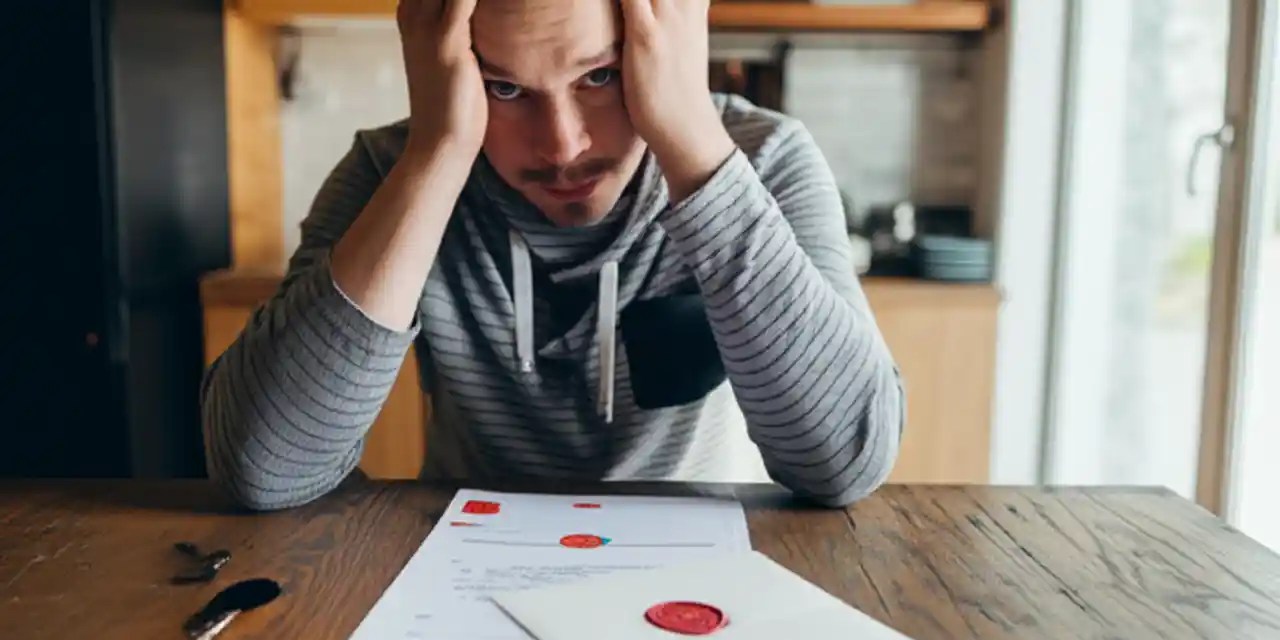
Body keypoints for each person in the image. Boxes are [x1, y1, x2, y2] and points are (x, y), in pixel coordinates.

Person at [200, 0, 905, 511]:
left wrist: (692, 143)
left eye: (598, 76)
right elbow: (264, 472)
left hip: (696, 575)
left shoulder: (761, 161)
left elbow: (843, 465)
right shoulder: (393, 173)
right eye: (505, 88)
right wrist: (438, 153)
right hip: (464, 572)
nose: (563, 146)